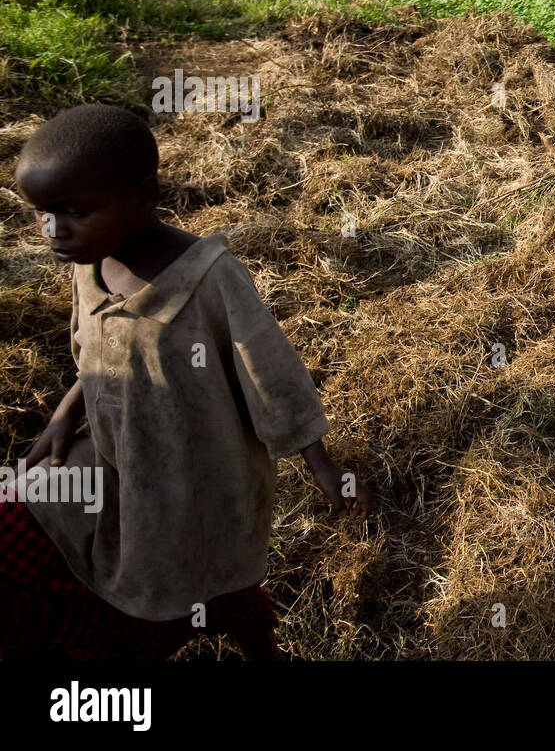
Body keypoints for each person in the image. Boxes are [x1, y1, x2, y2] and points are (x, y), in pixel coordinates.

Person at [2, 103, 374, 659]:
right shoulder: (91, 263)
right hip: (106, 460)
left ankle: (257, 648)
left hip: (193, 478)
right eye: (41, 214)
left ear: (145, 196)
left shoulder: (207, 280)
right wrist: (65, 415)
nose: (53, 231)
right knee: (15, 529)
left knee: (196, 577)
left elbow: (268, 372)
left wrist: (326, 469)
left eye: (73, 210)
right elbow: (100, 356)